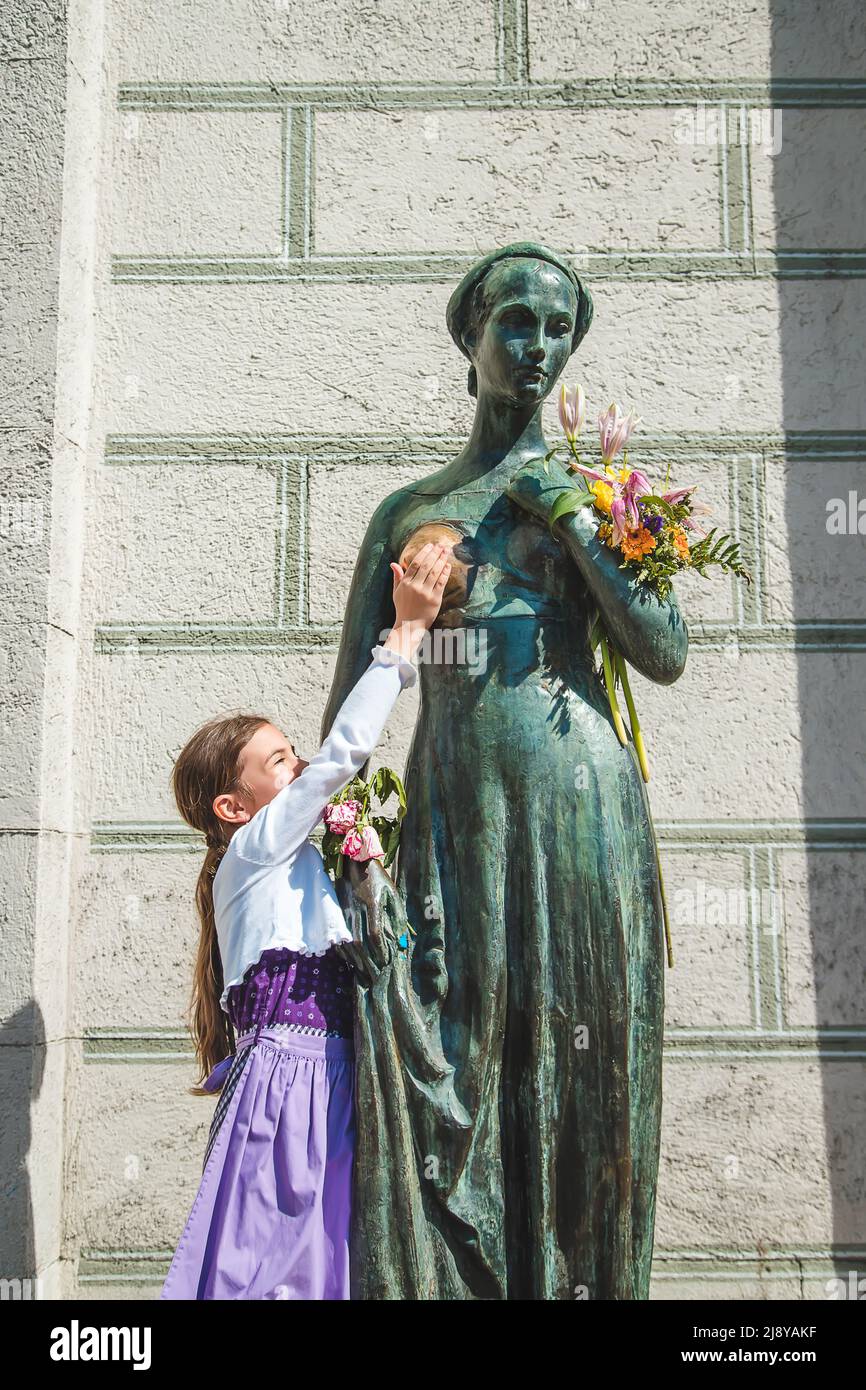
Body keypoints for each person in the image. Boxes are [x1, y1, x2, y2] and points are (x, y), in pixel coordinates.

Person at [319, 242, 689, 1299]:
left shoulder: (598, 494)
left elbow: (661, 650)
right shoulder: (406, 509)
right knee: (460, 1053)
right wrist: (340, 844)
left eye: (556, 327)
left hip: (585, 818)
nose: (537, 346)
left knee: (586, 1073)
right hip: (454, 820)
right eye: (515, 322)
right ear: (470, 336)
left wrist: (572, 516)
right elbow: (354, 696)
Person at [159, 542, 452, 1300]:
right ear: (235, 807)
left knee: (325, 1265)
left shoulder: (285, 868)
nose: (298, 769)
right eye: (280, 762)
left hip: (333, 1072)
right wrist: (405, 636)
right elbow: (343, 755)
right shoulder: (250, 851)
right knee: (273, 1266)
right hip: (291, 1079)